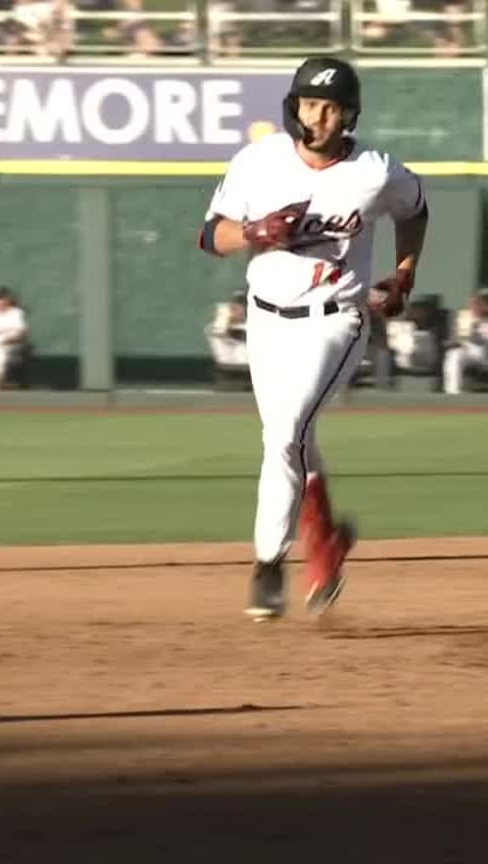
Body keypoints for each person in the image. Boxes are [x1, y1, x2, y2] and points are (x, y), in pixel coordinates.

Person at [198, 55, 428, 621]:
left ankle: (266, 565)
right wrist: (252, 234)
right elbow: (209, 235)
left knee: (285, 433)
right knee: (292, 440)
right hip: (265, 319)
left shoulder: (375, 171)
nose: (317, 116)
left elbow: (415, 209)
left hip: (337, 319)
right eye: (308, 104)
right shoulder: (258, 161)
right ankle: (325, 543)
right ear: (293, 106)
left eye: (328, 107)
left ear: (348, 114)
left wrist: (404, 274)